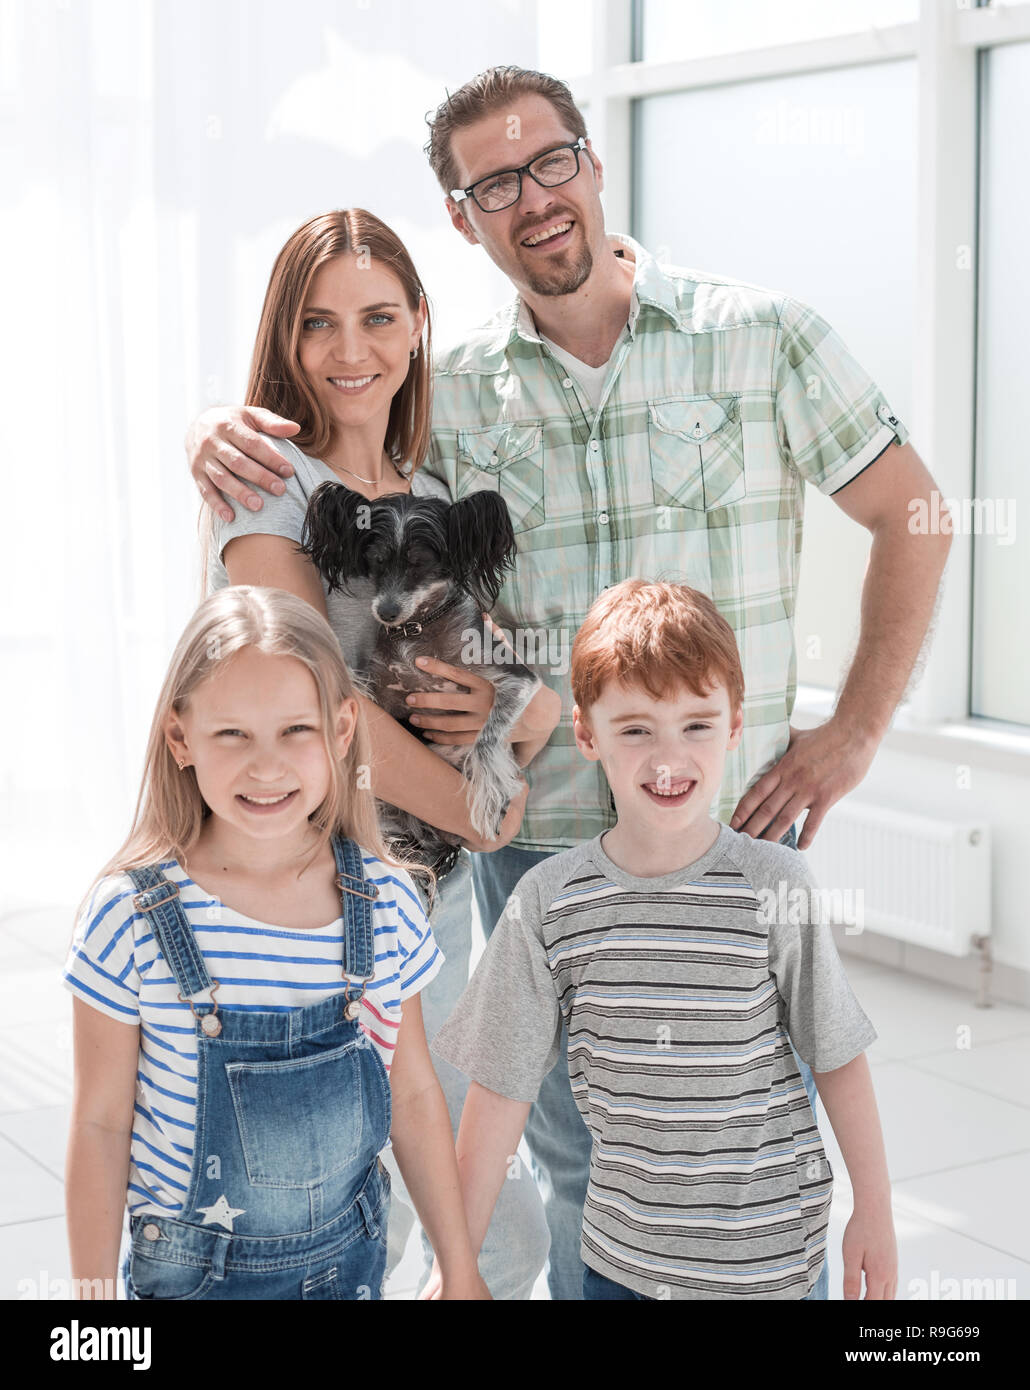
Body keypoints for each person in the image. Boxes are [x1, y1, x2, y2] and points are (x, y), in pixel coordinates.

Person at [183, 68, 951, 1300]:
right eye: (495, 182)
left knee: (744, 1158)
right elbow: (332, 458)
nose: (532, 198)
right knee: (573, 1163)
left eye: (549, 162)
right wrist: (217, 427)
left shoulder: (760, 337)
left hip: (724, 843)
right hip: (532, 856)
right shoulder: (454, 395)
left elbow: (916, 514)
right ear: (462, 215)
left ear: (591, 163)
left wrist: (855, 732)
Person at [196, 207, 561, 1297]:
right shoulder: (272, 490)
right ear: (286, 339)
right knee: (417, 1220)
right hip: (318, 898)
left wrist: (511, 720)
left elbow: (522, 699)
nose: (350, 350)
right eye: (318, 324)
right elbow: (314, 710)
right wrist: (473, 806)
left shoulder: (432, 496)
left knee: (430, 1210)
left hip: (427, 898)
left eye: (377, 317)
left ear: (416, 330)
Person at [427, 579, 898, 1301]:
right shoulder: (547, 904)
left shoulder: (777, 883)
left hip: (771, 1271)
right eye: (636, 729)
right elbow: (499, 1093)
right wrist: (454, 1266)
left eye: (697, 726)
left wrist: (876, 1209)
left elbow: (836, 1054)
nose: (668, 757)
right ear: (586, 734)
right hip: (621, 1270)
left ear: (735, 725)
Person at [63, 584, 491, 1300]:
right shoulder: (128, 918)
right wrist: (92, 1301)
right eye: (233, 734)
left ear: (343, 729)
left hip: (347, 1272)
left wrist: (458, 1265)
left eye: (296, 731)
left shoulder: (385, 901)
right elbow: (101, 1123)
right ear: (181, 738)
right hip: (192, 1281)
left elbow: (413, 1093)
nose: (267, 766)